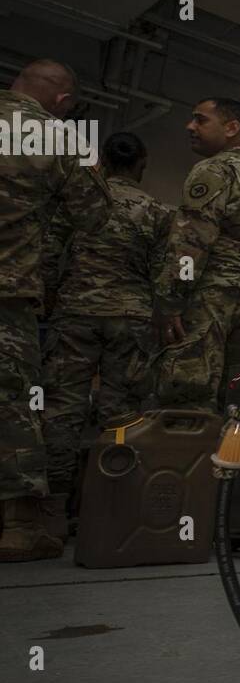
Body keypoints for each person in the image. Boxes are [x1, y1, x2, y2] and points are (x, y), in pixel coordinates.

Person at [0, 60, 112, 561]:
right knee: (13, 403)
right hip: (8, 292)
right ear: (63, 101)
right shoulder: (57, 136)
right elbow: (94, 216)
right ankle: (22, 527)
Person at [39, 131, 172, 543]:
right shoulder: (156, 211)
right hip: (130, 317)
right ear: (142, 162)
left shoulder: (79, 201)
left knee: (61, 410)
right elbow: (163, 272)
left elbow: (48, 251)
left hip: (76, 312)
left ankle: (51, 515)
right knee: (122, 416)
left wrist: (47, 296)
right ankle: (108, 509)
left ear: (103, 162)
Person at [154, 98, 240, 411]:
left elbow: (192, 239)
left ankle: (181, 458)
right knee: (234, 402)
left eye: (200, 120)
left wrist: (171, 299)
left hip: (213, 294)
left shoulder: (214, 169)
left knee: (186, 398)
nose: (190, 126)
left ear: (231, 128)